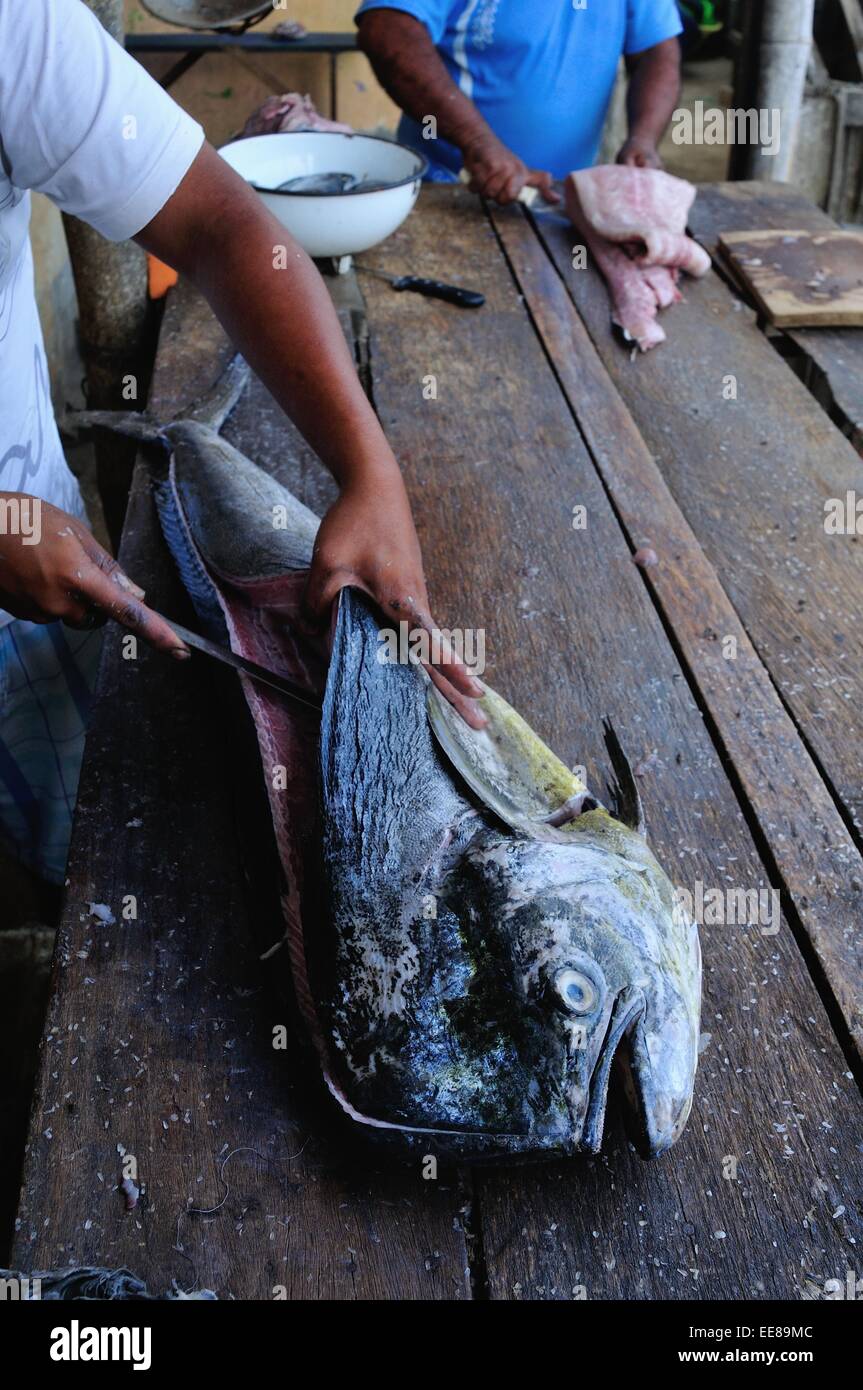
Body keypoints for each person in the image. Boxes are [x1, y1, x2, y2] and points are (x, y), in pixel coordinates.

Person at [0, 0, 482, 887]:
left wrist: (370, 472)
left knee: (82, 845)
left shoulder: (15, 24)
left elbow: (222, 226)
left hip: (37, 570)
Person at [356, 1, 683, 205]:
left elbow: (657, 51)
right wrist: (477, 143)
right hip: (449, 194)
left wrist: (644, 139)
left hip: (564, 204)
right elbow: (387, 29)